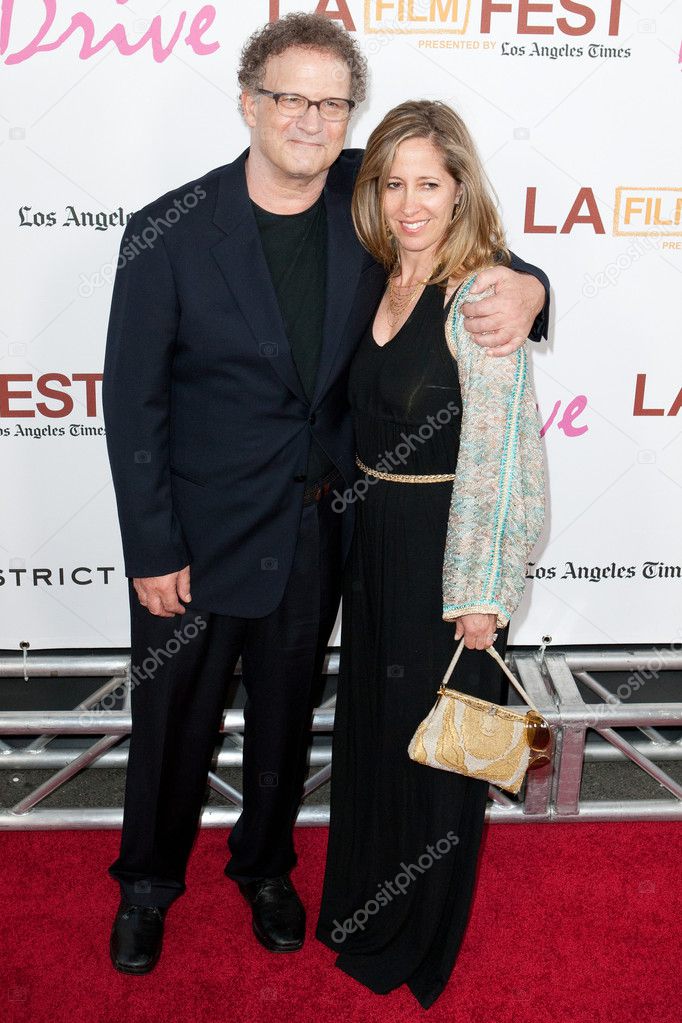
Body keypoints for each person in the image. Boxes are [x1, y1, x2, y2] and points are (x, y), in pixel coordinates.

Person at [102, 13, 550, 975]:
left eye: (330, 101)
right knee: (170, 723)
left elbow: (468, 237)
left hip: (318, 534)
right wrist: (150, 547)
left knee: (284, 717)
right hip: (197, 538)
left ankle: (264, 866)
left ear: (350, 116)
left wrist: (534, 286)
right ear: (249, 103)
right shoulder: (170, 228)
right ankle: (146, 885)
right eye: (289, 97)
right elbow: (131, 404)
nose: (309, 117)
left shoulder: (369, 201)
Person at [315, 100, 546, 1009]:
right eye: (394, 183)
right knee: (375, 732)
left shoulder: (481, 295)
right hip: (371, 545)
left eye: (430, 184)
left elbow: (497, 459)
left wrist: (482, 593)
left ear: (460, 190)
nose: (411, 202)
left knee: (436, 751)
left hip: (444, 553)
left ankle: (415, 937)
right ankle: (366, 907)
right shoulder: (376, 274)